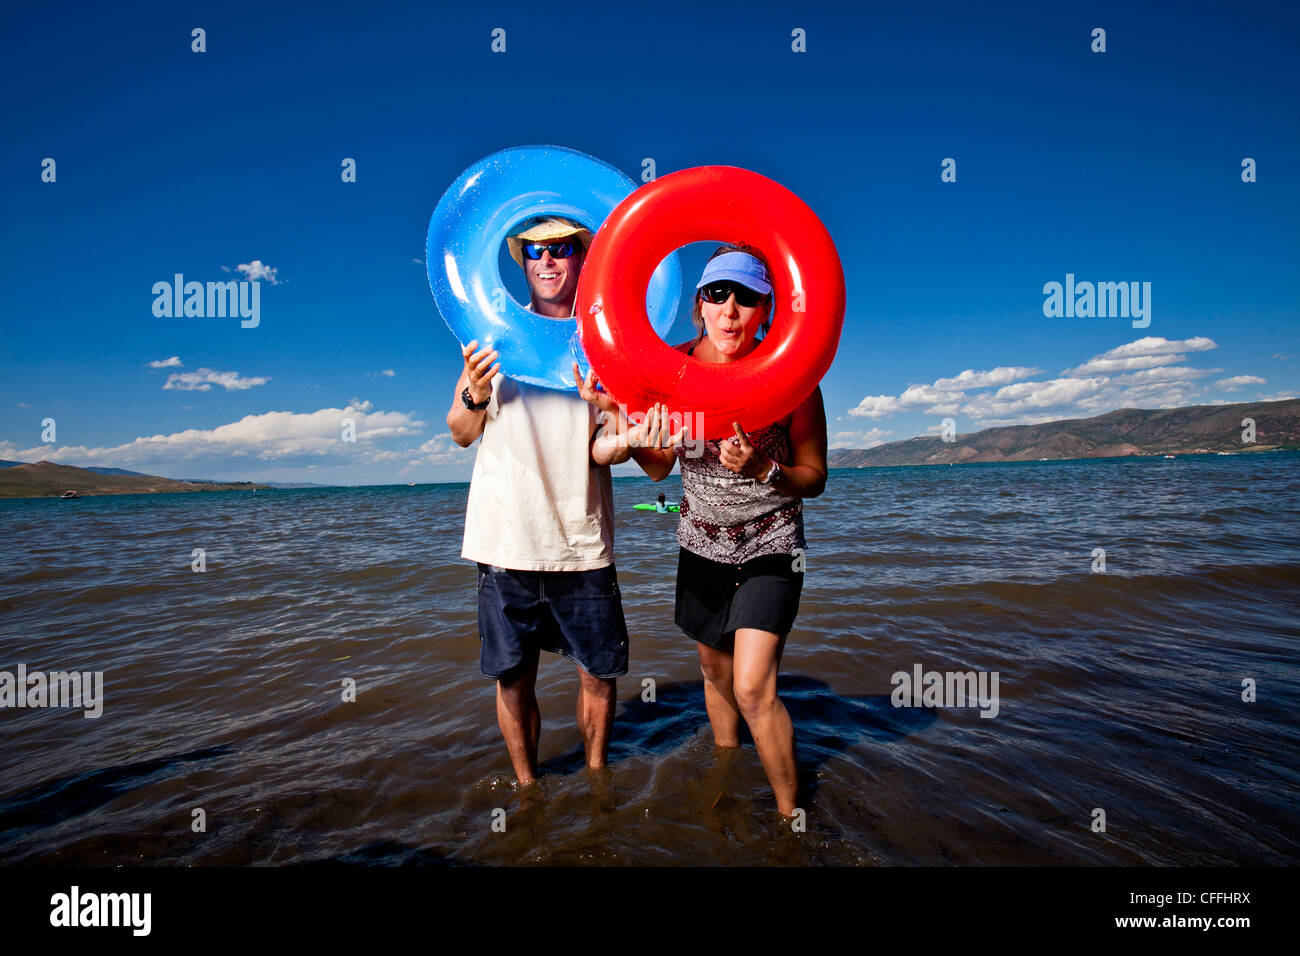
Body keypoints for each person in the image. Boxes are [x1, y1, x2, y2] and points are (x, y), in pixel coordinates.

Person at [578, 245, 828, 817]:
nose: (731, 310)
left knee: (751, 686)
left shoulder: (791, 379)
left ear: (767, 309)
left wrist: (764, 468)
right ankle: (728, 770)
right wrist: (619, 416)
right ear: (700, 305)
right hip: (701, 545)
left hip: (772, 544)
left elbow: (814, 478)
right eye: (718, 295)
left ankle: (792, 819)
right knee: (714, 673)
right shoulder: (672, 375)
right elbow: (661, 465)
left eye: (747, 298)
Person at [448, 215, 633, 788]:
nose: (547, 261)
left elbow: (607, 451)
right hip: (507, 544)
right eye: (534, 251)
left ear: (580, 259)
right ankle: (529, 791)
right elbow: (459, 430)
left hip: (582, 542)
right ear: (522, 262)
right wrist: (473, 393)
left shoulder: (604, 346)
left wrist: (613, 416)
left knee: (600, 676)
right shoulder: (491, 339)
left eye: (560, 249)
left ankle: (598, 779)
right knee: (513, 679)